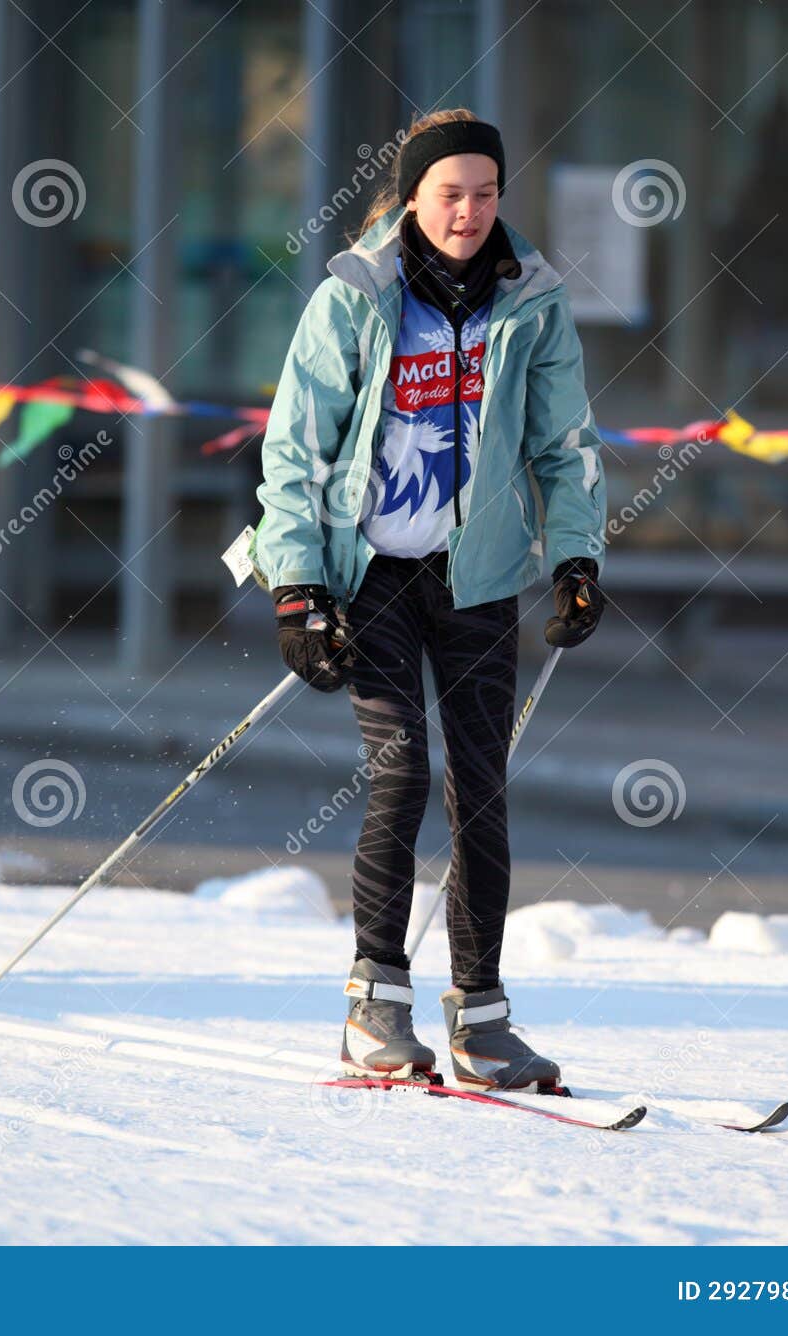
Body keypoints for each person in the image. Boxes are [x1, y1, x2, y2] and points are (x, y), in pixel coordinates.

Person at [255, 109, 607, 1088]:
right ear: (412, 195)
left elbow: (562, 444)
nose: (468, 212)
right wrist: (296, 588)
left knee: (481, 790)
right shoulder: (356, 296)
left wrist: (576, 559)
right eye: (449, 194)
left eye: (485, 194)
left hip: (477, 573)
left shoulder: (529, 299)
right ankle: (375, 1004)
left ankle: (482, 1021)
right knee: (400, 774)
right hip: (370, 573)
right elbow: (296, 447)